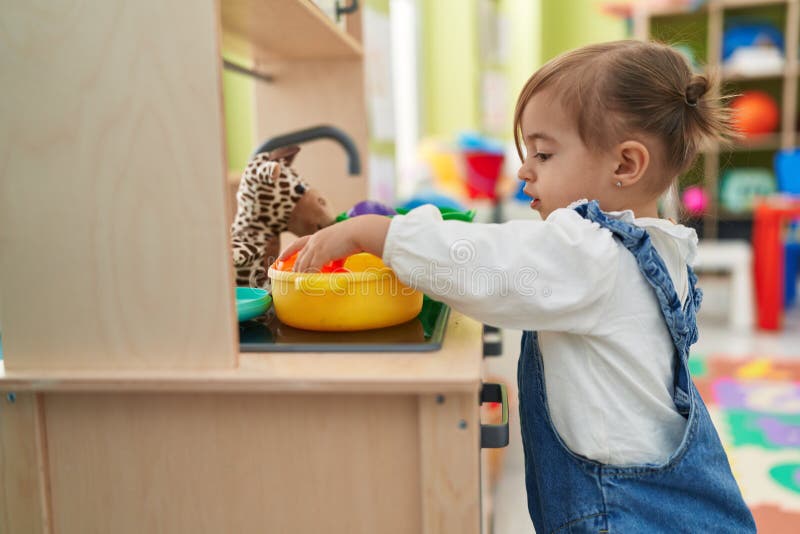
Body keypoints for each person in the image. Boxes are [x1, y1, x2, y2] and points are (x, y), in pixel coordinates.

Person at [279, 40, 756, 532]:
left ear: (624, 166)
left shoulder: (593, 254)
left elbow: (493, 264)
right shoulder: (657, 244)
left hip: (618, 512)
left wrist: (374, 234)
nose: (525, 170)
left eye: (544, 153)